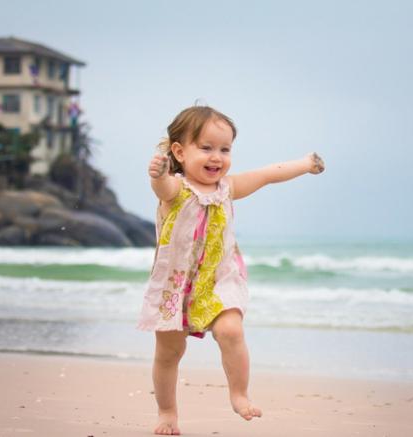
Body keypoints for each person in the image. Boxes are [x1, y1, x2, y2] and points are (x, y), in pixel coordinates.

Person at [137, 104, 325, 435]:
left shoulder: (228, 188)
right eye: (206, 147)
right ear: (179, 152)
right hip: (175, 286)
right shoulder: (177, 191)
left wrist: (306, 163)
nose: (217, 157)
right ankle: (167, 411)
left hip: (218, 280)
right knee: (169, 353)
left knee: (231, 331)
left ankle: (239, 394)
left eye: (225, 149)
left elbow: (268, 174)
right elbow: (162, 188)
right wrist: (159, 174)